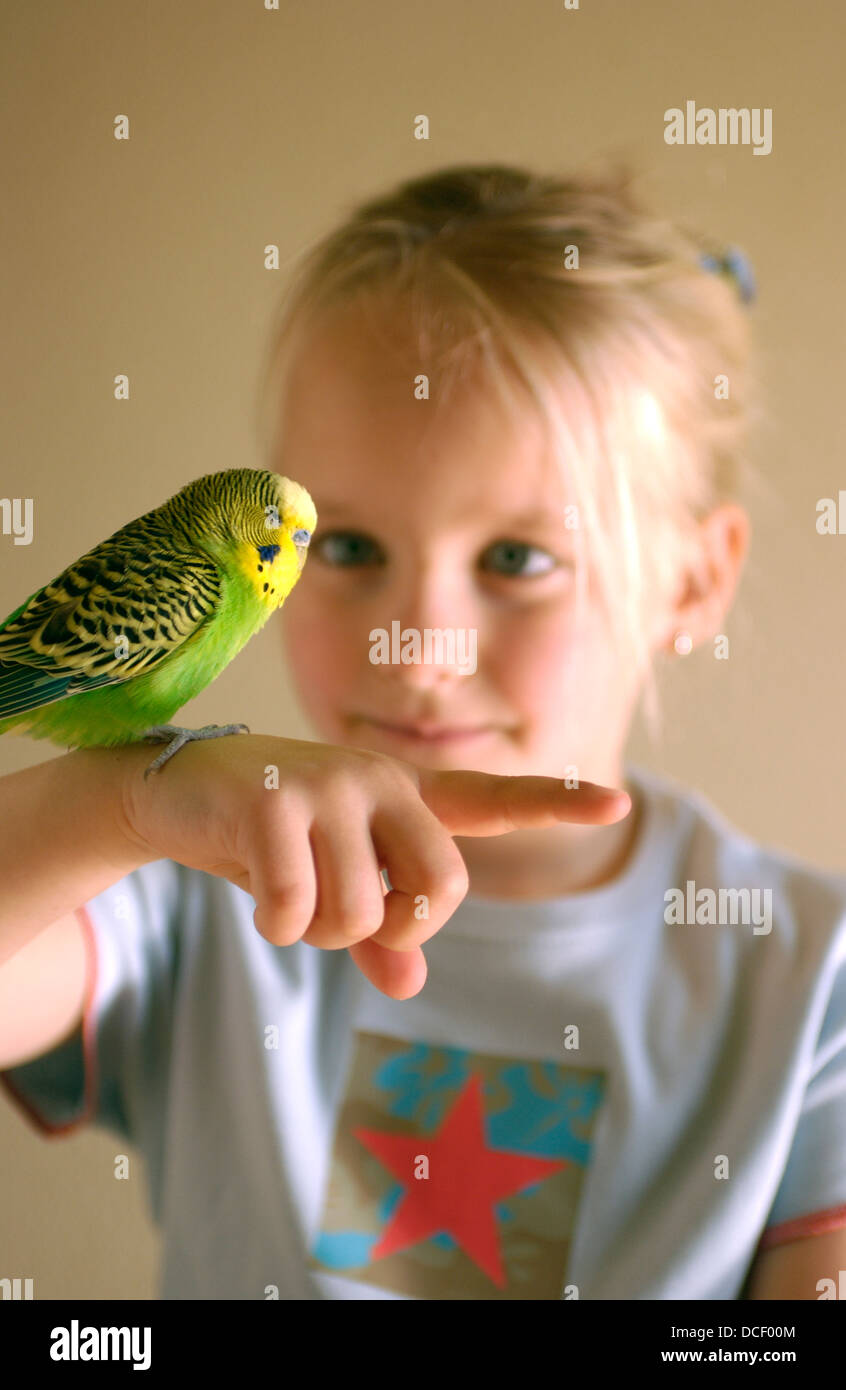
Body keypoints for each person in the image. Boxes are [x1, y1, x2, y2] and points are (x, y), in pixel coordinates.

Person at [2, 163, 845, 1300]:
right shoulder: (173, 888)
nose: (420, 642)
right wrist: (119, 802)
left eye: (516, 560)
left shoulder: (812, 982)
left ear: (695, 584)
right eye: (346, 550)